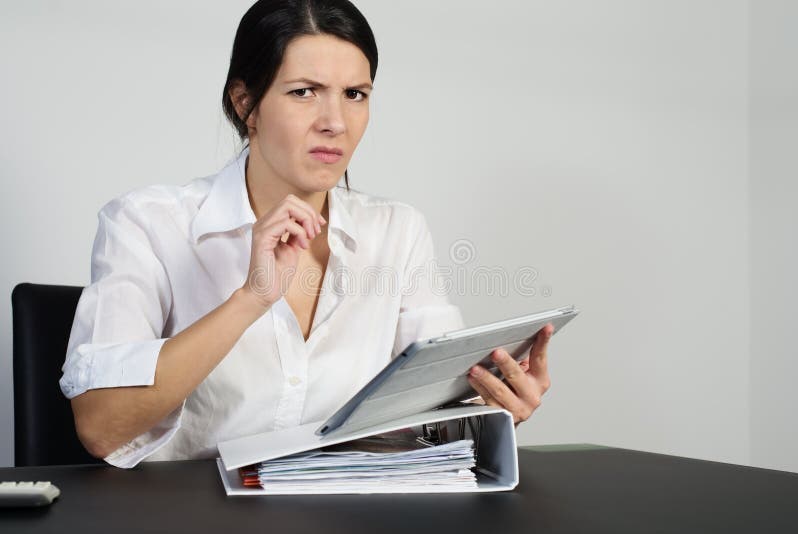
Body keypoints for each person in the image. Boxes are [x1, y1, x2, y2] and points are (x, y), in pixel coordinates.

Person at [60, 0, 554, 469]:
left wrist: (493, 409)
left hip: (347, 512)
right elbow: (103, 429)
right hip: (194, 513)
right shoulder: (146, 223)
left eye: (355, 95)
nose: (335, 122)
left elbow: (430, 413)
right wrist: (251, 299)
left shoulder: (397, 231)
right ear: (245, 102)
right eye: (303, 92)